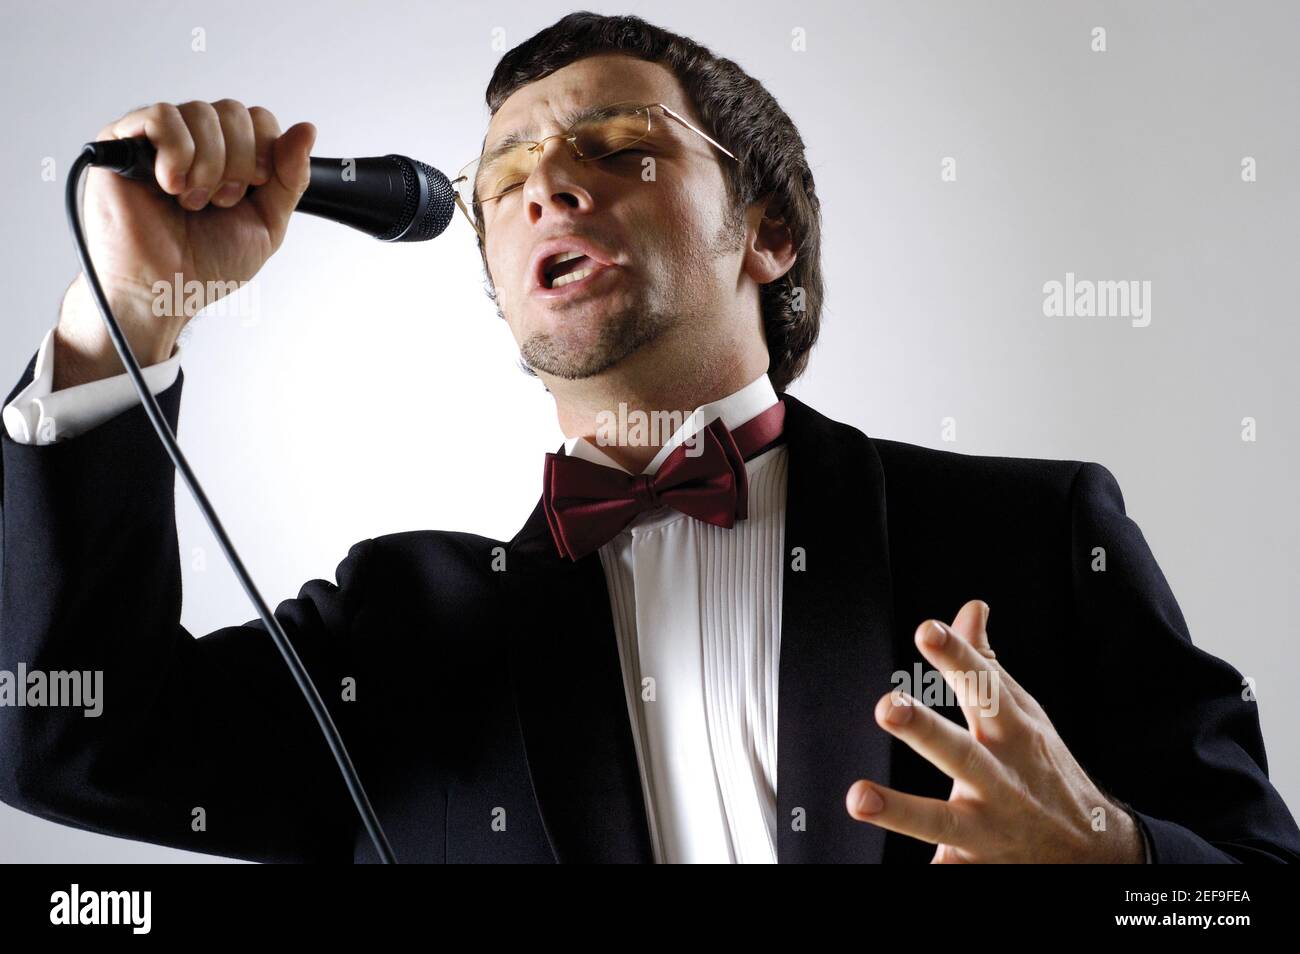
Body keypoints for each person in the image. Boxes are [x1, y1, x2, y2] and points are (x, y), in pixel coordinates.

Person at [1, 12, 1296, 864]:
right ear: (503, 278)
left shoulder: (1032, 533)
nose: (549, 184)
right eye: (504, 184)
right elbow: (61, 734)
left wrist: (1121, 859)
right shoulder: (400, 635)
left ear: (767, 233)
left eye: (620, 148)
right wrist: (126, 314)